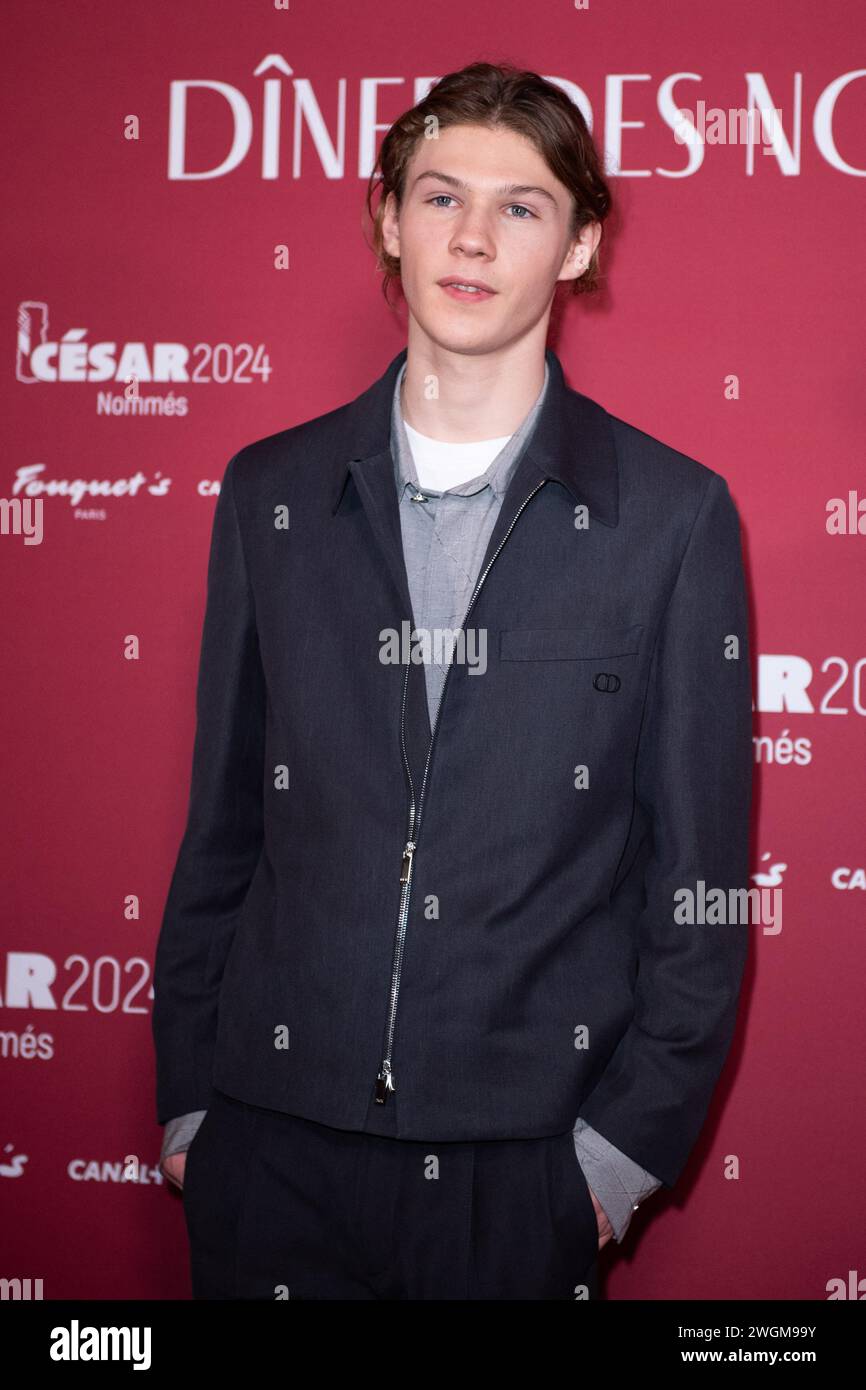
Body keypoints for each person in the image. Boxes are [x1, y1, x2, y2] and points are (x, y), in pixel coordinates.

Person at [152, 60, 753, 1301]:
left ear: (578, 243)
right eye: (438, 197)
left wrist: (612, 1159)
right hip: (269, 1149)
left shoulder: (673, 519)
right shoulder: (269, 493)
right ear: (387, 217)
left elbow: (698, 891)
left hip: (516, 1178)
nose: (471, 238)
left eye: (521, 207)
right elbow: (218, 836)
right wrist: (193, 1112)